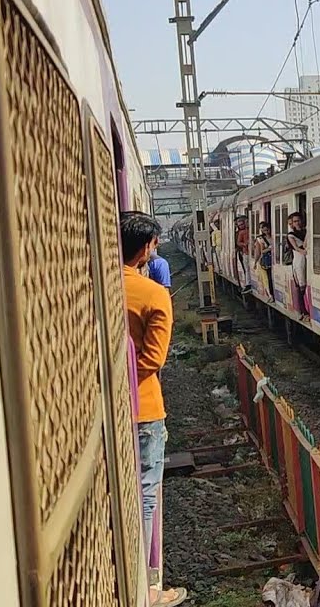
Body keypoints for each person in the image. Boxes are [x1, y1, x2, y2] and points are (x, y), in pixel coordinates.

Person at [120, 211, 187, 607]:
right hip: (143, 408)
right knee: (145, 496)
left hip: (106, 413)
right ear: (146, 248)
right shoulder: (153, 293)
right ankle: (143, 586)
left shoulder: (93, 286)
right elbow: (153, 359)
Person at [285, 212, 310, 321]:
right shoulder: (291, 235)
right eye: (295, 221)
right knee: (301, 286)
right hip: (299, 261)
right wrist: (304, 250)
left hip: (307, 259)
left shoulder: (306, 231)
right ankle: (303, 311)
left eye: (298, 220)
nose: (297, 223)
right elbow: (297, 248)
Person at [254, 220, 274, 301]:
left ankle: (271, 295)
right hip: (266, 261)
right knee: (267, 278)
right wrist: (270, 248)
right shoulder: (260, 239)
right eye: (264, 230)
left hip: (274, 259)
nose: (266, 232)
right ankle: (270, 295)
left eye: (267, 230)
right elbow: (260, 251)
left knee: (270, 278)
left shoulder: (274, 236)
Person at [234, 216, 250, 292]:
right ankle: (248, 283)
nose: (241, 226)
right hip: (246, 252)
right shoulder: (241, 233)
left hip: (250, 252)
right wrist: (244, 244)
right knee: (247, 268)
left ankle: (248, 283)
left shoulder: (249, 230)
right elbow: (238, 242)